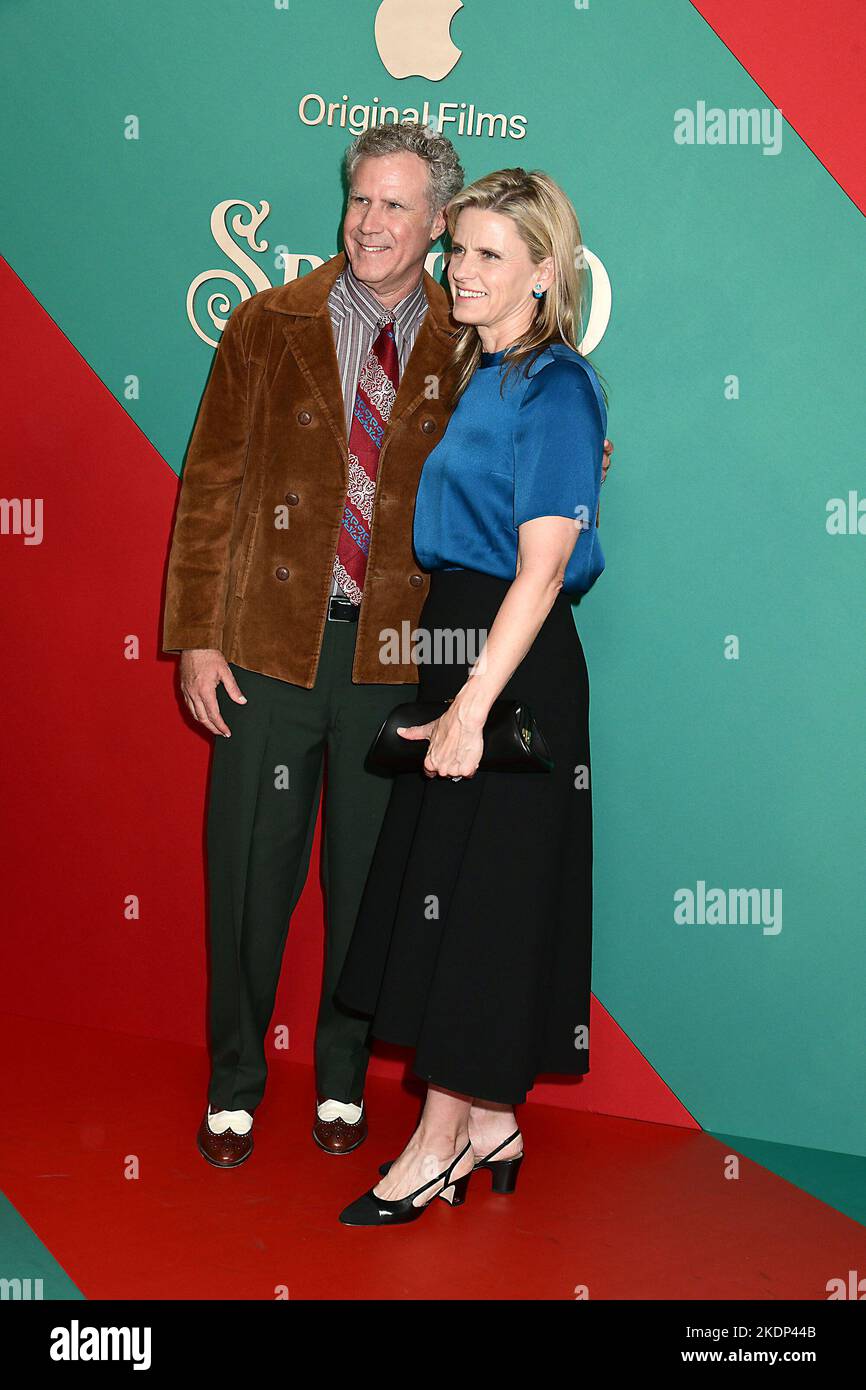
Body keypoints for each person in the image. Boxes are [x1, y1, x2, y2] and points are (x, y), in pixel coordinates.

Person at [335, 167, 609, 1225]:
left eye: (491, 255)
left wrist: (470, 707)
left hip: (508, 662)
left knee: (481, 905)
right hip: (457, 641)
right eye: (461, 250)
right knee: (447, 886)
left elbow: (540, 569)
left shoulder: (554, 386)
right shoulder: (481, 371)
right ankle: (490, 1119)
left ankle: (438, 1139)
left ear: (544, 274)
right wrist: (444, 682)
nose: (461, 270)